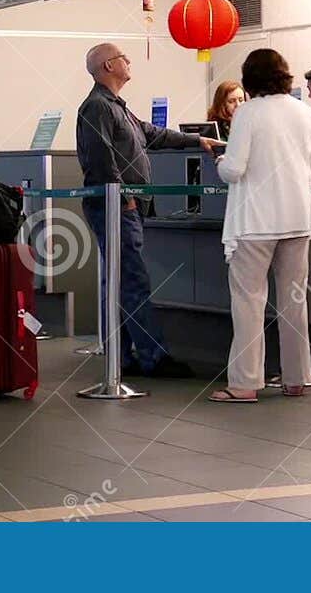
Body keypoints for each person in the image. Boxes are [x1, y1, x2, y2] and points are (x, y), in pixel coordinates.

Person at [76, 43, 224, 379]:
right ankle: (151, 356)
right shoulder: (97, 107)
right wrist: (123, 195)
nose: (129, 61)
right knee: (132, 280)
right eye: (123, 58)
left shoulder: (117, 108)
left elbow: (151, 134)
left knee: (120, 280)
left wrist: (196, 141)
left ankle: (123, 355)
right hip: (116, 206)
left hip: (124, 205)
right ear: (108, 66)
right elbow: (100, 158)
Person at [210, 49, 311, 403]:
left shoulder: (247, 113)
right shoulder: (305, 112)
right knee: (294, 300)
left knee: (248, 302)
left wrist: (220, 161)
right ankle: (296, 378)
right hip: (298, 219)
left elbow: (234, 169)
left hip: (255, 222)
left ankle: (245, 384)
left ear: (249, 78)